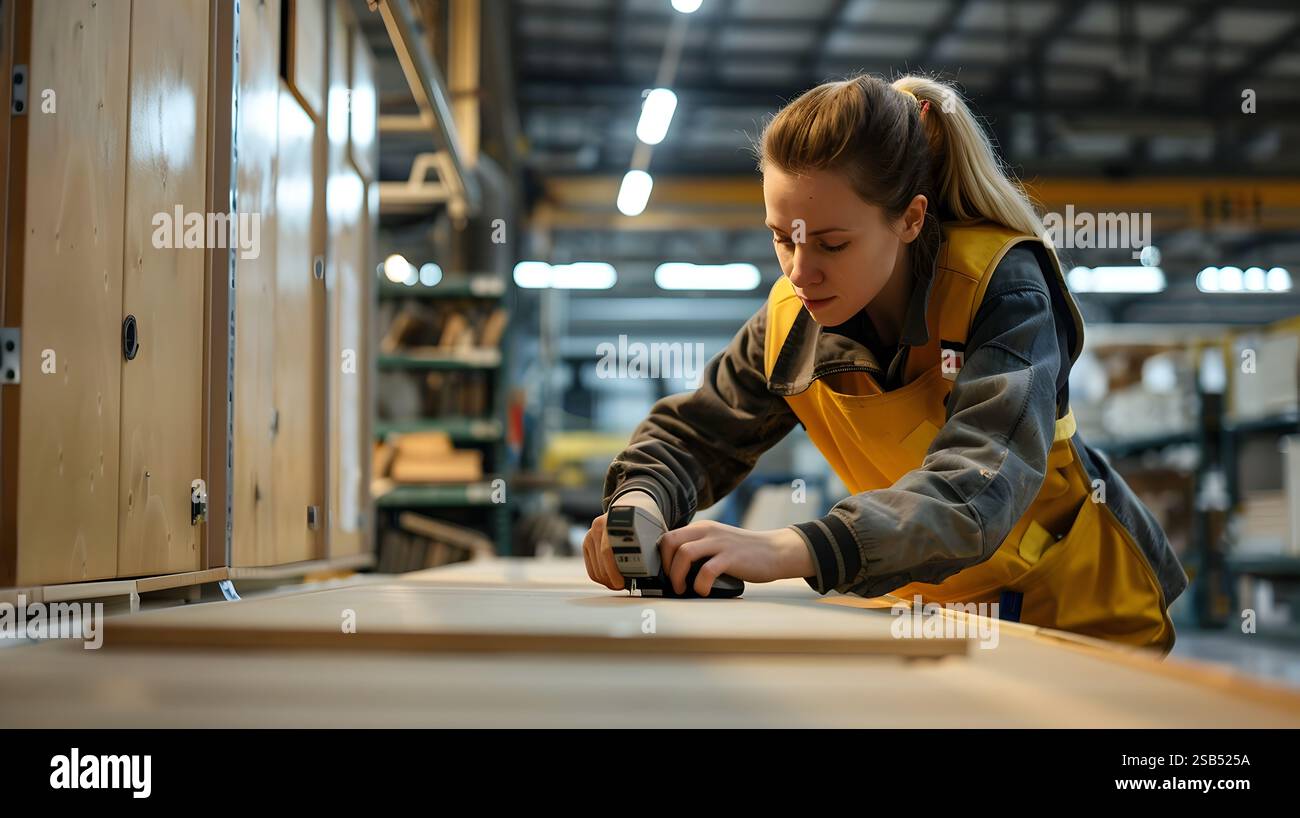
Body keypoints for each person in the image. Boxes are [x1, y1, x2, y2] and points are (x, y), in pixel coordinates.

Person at [582, 73, 1188, 652]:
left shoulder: (1003, 291)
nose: (799, 270)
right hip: (926, 612)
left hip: (1073, 617)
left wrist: (790, 548)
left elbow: (972, 492)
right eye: (782, 237)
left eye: (832, 243)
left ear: (911, 218)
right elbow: (697, 433)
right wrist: (640, 504)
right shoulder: (796, 315)